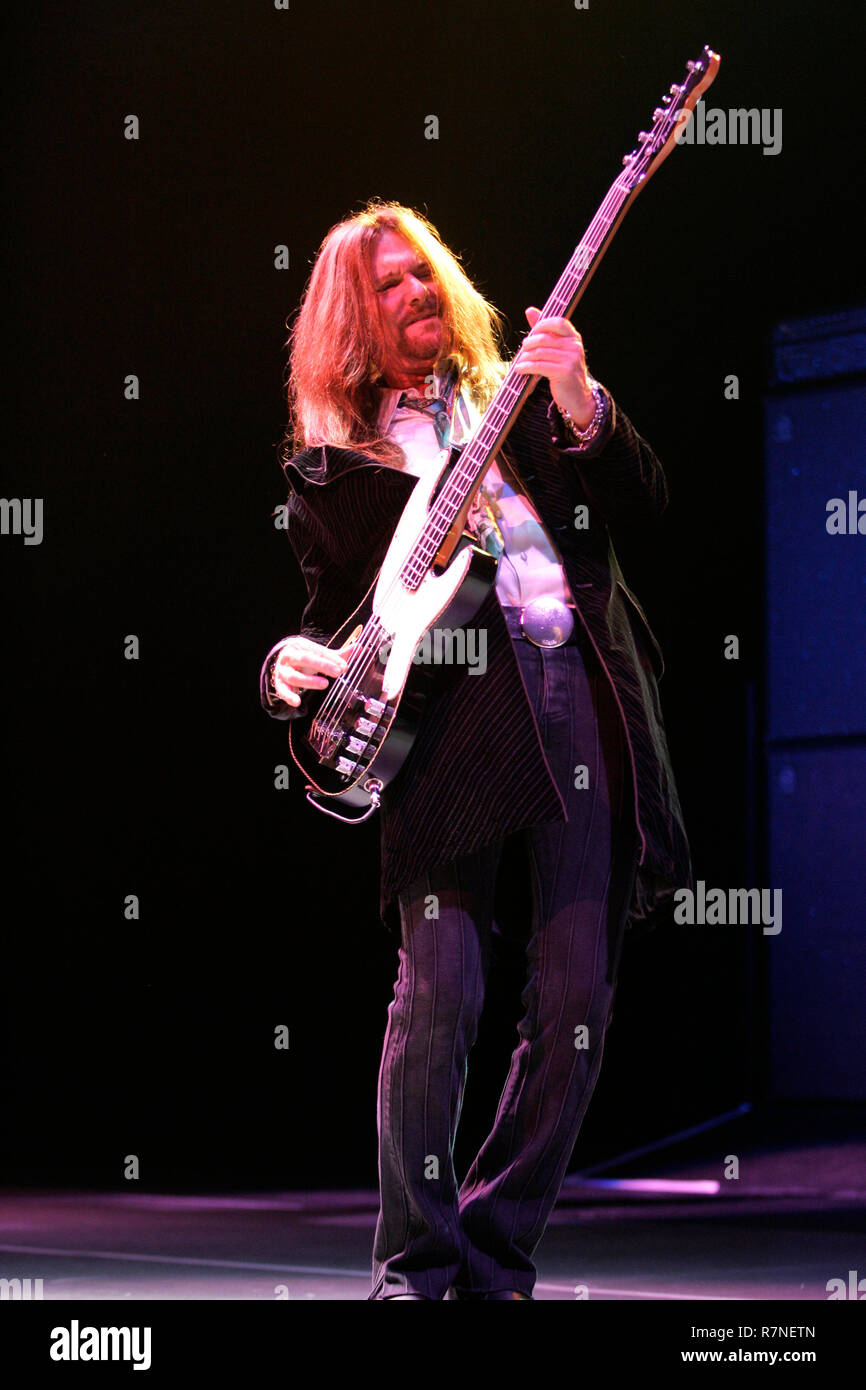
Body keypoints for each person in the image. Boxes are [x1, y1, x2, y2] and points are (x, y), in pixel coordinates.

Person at [259, 200, 692, 1300]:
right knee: (438, 997)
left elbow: (648, 505)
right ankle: (414, 1266)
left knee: (575, 1006)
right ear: (351, 319)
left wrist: (579, 397)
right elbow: (329, 617)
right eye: (385, 284)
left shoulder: (525, 400)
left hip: (572, 695)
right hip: (444, 727)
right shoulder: (334, 467)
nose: (413, 294)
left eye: (422, 274)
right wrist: (282, 667)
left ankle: (491, 1257)